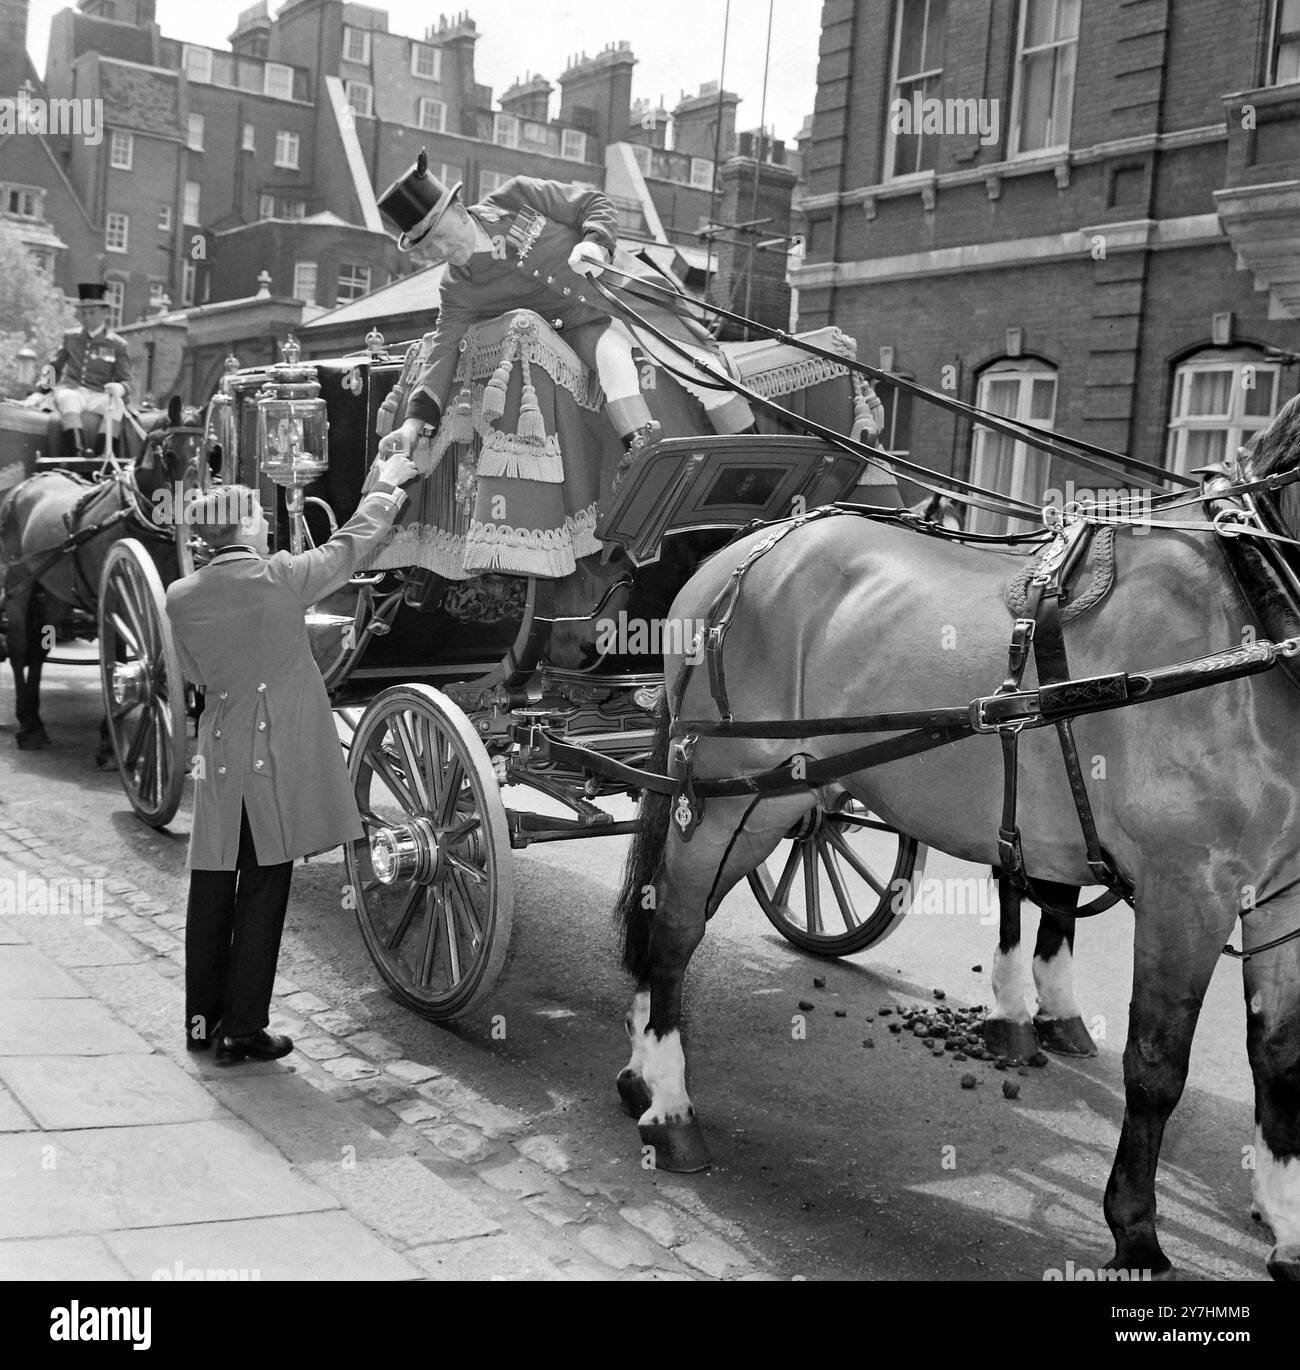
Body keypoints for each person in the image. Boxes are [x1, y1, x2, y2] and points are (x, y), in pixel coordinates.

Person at [165, 455, 418, 1063]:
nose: (261, 519)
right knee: (263, 887)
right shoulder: (278, 577)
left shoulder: (180, 596)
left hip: (220, 753)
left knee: (211, 886)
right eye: (254, 512)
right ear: (243, 530)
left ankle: (203, 1023)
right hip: (273, 757)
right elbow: (350, 546)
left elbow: (197, 675)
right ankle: (243, 1029)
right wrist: (385, 485)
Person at [372, 151, 753, 465]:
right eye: (427, 249)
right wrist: (411, 424)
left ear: (457, 210)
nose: (440, 251)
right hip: (587, 329)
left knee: (703, 372)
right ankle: (650, 468)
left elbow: (593, 203)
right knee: (615, 374)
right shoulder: (457, 288)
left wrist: (594, 243)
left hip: (628, 295)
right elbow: (441, 353)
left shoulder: (515, 196)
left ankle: (758, 466)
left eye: (439, 236)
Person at [40, 282, 134, 462]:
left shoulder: (117, 344)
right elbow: (54, 365)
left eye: (92, 312)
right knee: (69, 399)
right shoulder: (71, 337)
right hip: (73, 389)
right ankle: (77, 451)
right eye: (83, 313)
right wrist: (41, 391)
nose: (87, 317)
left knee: (116, 406)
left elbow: (126, 381)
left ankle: (103, 453)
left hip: (98, 394)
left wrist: (119, 388)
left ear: (104, 313)